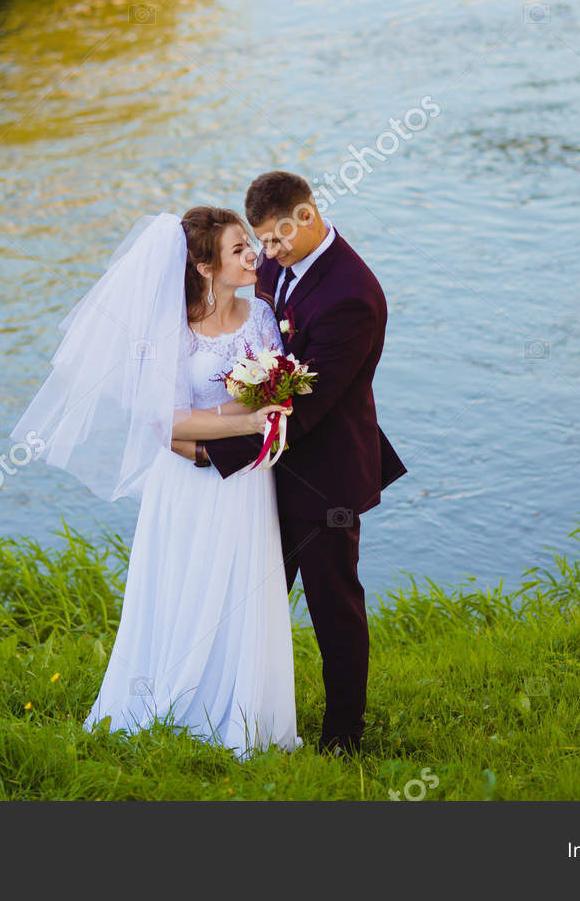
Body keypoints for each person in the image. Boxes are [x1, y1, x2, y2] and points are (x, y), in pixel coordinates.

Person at [12, 208, 297, 758]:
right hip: (187, 485)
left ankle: (243, 714)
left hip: (246, 483)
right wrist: (248, 420)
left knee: (241, 585)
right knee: (185, 579)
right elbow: (165, 419)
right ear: (204, 266)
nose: (252, 256)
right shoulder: (171, 330)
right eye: (238, 249)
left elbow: (270, 387)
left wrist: (257, 413)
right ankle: (169, 700)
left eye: (249, 246)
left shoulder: (262, 315)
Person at [177, 171, 406, 755]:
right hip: (267, 473)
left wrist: (208, 450)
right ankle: (237, 710)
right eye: (258, 243)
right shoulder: (277, 265)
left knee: (334, 608)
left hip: (326, 473)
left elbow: (305, 405)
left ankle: (343, 735)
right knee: (252, 597)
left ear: (306, 217)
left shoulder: (353, 295)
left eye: (275, 241)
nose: (266, 256)